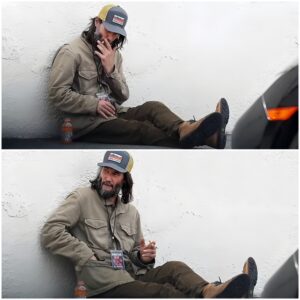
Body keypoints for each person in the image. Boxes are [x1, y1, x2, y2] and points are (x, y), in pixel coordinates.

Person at [41, 151, 258, 298]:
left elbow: (136, 256)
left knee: (175, 268)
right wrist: (85, 254)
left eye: (114, 173)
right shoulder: (82, 198)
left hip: (131, 276)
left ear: (124, 180)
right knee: (162, 293)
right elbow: (50, 232)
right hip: (103, 282)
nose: (107, 177)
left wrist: (143, 257)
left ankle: (209, 291)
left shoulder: (131, 213)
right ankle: (230, 294)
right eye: (105, 170)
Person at [48, 4, 230, 149]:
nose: (110, 37)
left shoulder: (114, 55)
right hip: (84, 126)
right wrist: (94, 105)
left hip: (114, 114)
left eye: (116, 33)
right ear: (97, 22)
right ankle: (204, 136)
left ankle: (185, 129)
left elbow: (123, 96)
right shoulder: (71, 52)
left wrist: (111, 71)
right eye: (108, 30)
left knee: (153, 107)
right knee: (142, 130)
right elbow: (57, 94)